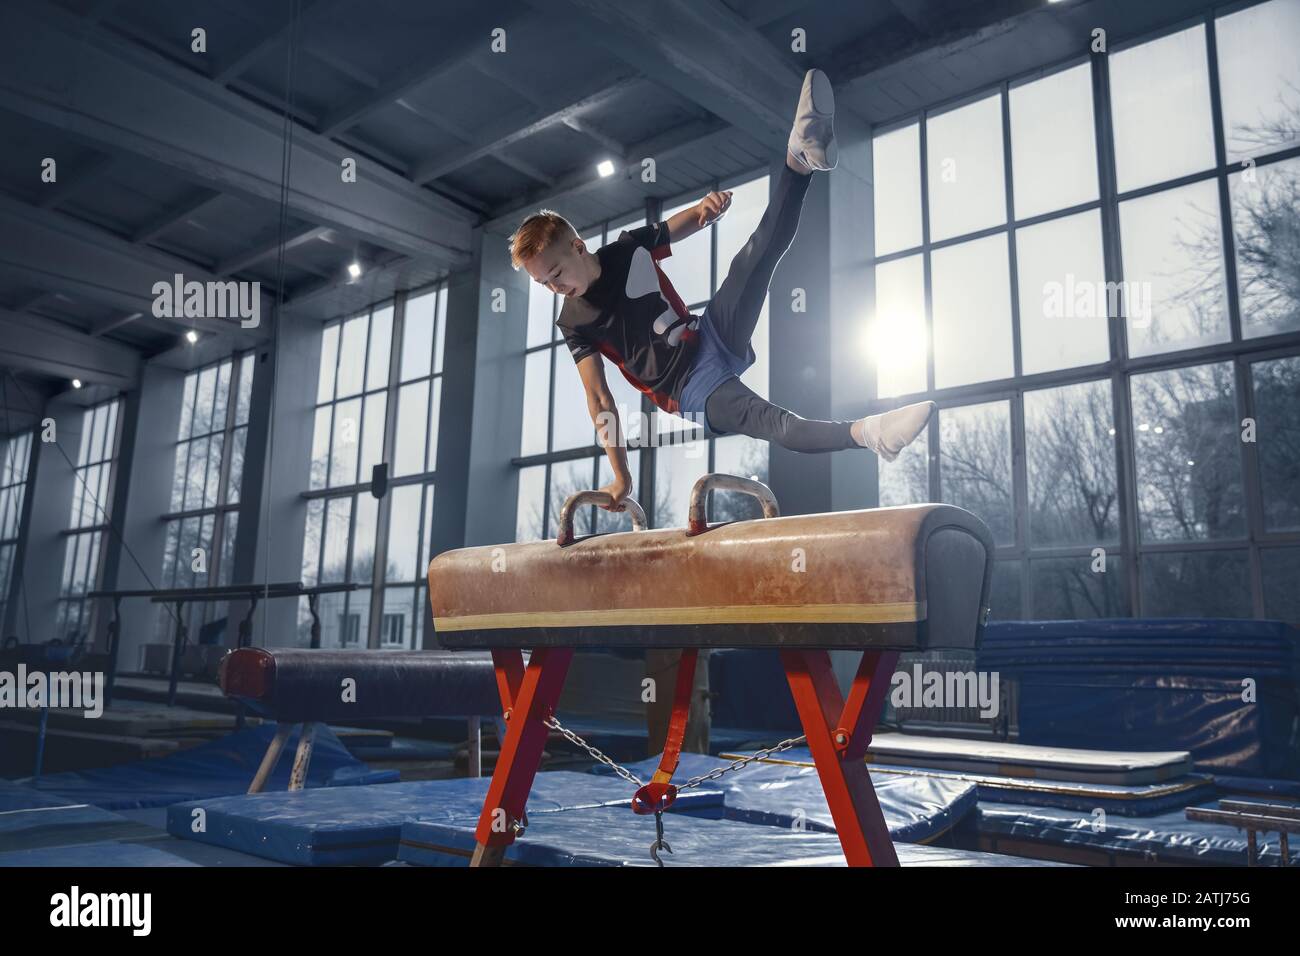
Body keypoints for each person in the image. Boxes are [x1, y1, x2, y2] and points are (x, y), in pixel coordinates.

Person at [510, 68, 934, 514]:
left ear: (578, 247)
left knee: (757, 256)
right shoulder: (573, 323)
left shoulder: (626, 248)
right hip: (688, 390)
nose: (555, 287)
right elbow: (600, 399)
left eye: (555, 273)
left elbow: (677, 226)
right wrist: (622, 475)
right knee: (771, 421)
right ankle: (871, 434)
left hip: (708, 334)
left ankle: (799, 159)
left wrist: (703, 211)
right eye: (544, 284)